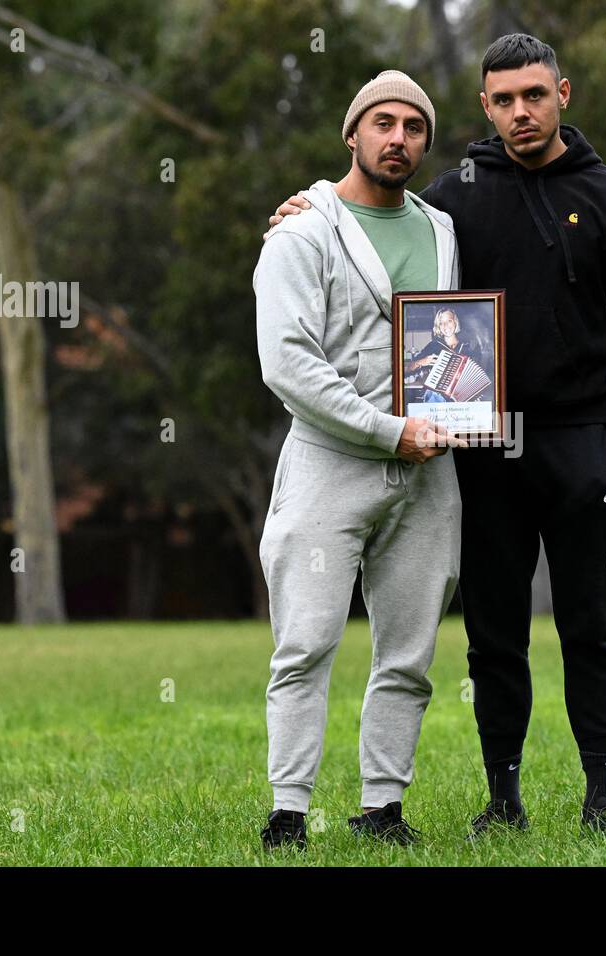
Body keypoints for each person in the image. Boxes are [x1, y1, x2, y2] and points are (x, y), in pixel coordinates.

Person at [266, 34, 606, 837]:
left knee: (593, 631)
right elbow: (370, 215)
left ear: (564, 93)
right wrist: (305, 205)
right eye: (504, 100)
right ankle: (505, 800)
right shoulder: (455, 202)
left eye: (535, 95)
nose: (521, 113)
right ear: (485, 108)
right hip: (483, 454)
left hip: (585, 446)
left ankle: (603, 799)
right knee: (493, 638)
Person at [252, 69, 465, 849]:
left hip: (430, 471)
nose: (398, 138)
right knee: (305, 644)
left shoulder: (442, 230)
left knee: (409, 652)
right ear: (353, 133)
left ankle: (383, 809)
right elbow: (288, 363)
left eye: (413, 126)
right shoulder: (303, 231)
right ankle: (288, 813)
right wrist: (385, 430)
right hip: (327, 464)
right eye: (382, 122)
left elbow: (463, 342)